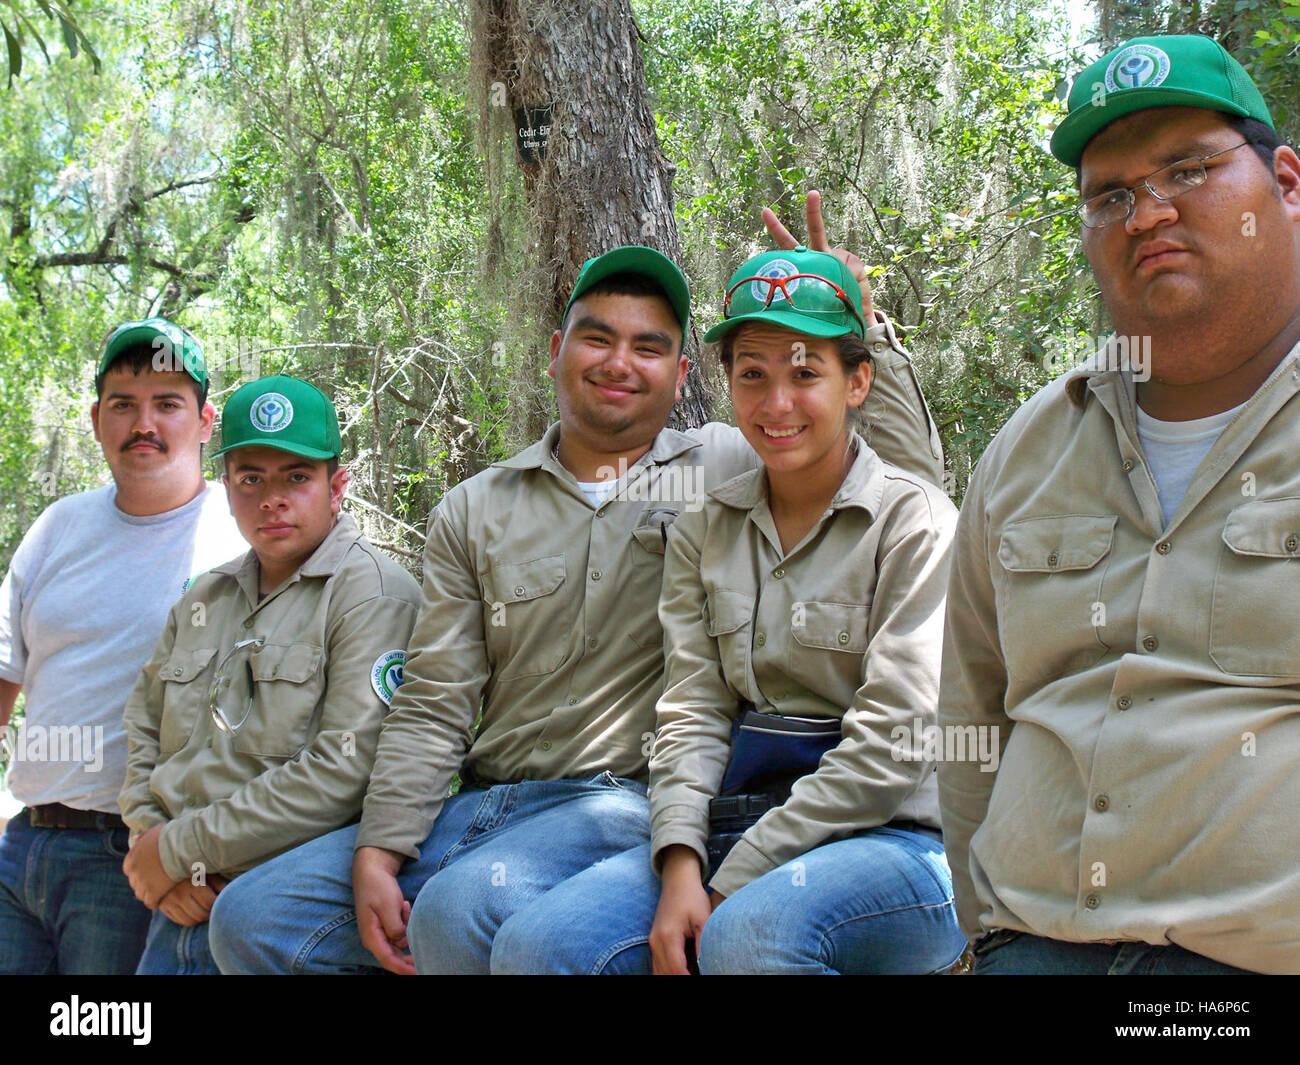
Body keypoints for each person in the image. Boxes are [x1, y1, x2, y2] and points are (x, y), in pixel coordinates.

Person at [210, 222, 943, 975]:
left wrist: (868, 330)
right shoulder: (477, 507)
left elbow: (886, 490)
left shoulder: (722, 469)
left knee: (467, 911)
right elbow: (433, 702)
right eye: (597, 338)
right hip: (487, 803)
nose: (620, 363)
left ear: (683, 371)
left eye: (650, 346)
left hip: (622, 800)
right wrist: (382, 842)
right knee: (254, 918)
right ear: (556, 351)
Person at [491, 245, 966, 974]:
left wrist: (724, 883)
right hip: (736, 824)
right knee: (539, 945)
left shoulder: (916, 522)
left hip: (899, 837)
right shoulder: (705, 526)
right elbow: (693, 710)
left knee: (748, 936)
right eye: (753, 375)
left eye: (806, 373)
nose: (777, 404)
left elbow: (891, 747)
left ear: (858, 380)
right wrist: (681, 859)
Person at [938, 34, 1300, 975]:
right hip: (1033, 943)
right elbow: (974, 708)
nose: (1149, 213)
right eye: (1111, 196)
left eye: (1188, 168)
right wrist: (984, 928)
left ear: (1288, 186)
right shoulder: (1031, 448)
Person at [118, 375, 421, 974]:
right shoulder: (204, 597)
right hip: (175, 906)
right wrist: (150, 844)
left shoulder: (374, 594)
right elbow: (142, 728)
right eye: (251, 478)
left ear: (337, 487)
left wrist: (180, 850)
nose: (271, 498)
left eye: (296, 477)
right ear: (226, 488)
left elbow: (345, 771)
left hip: (280, 916)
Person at [0, 318, 246, 974]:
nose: (145, 422)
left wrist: (214, 855)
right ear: (95, 419)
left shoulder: (243, 537)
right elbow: (5, 675)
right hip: (20, 845)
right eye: (123, 404)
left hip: (134, 860)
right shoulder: (57, 526)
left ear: (204, 420)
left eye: (167, 403)